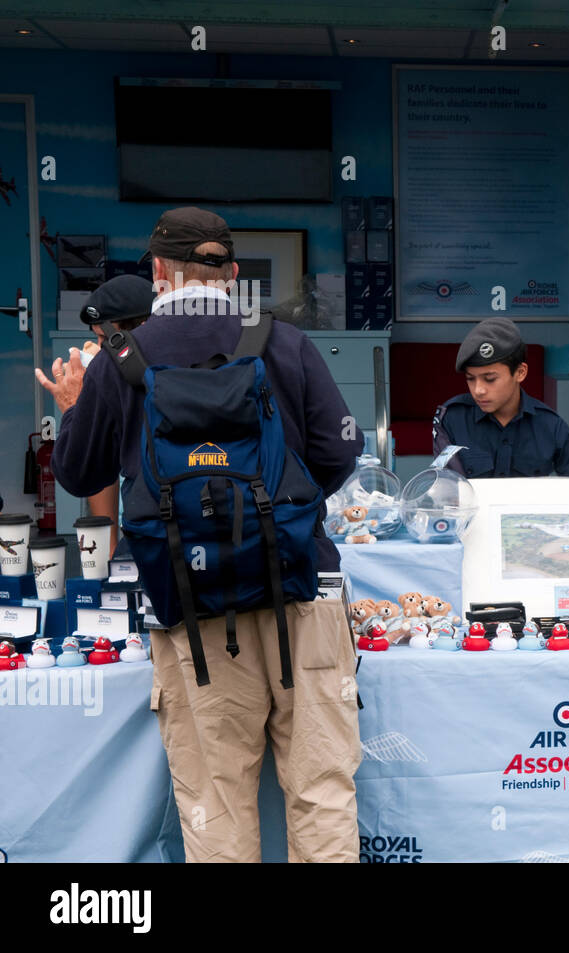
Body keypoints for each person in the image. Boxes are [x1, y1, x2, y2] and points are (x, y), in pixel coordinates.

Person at [36, 206, 362, 862]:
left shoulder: (121, 358)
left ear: (158, 271)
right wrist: (281, 518)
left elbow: (78, 473)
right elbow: (338, 453)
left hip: (190, 604)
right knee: (321, 791)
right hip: (301, 593)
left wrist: (74, 408)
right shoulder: (285, 343)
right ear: (232, 273)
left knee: (216, 802)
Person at [67, 275, 156, 555]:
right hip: (132, 533)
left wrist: (73, 407)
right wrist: (110, 551)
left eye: (105, 338)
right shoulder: (105, 375)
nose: (99, 347)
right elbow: (98, 465)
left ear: (142, 328)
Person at [430, 318, 569, 478]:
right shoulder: (452, 419)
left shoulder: (552, 427)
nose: (478, 390)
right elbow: (447, 485)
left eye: (490, 379)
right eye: (470, 378)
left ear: (520, 373)